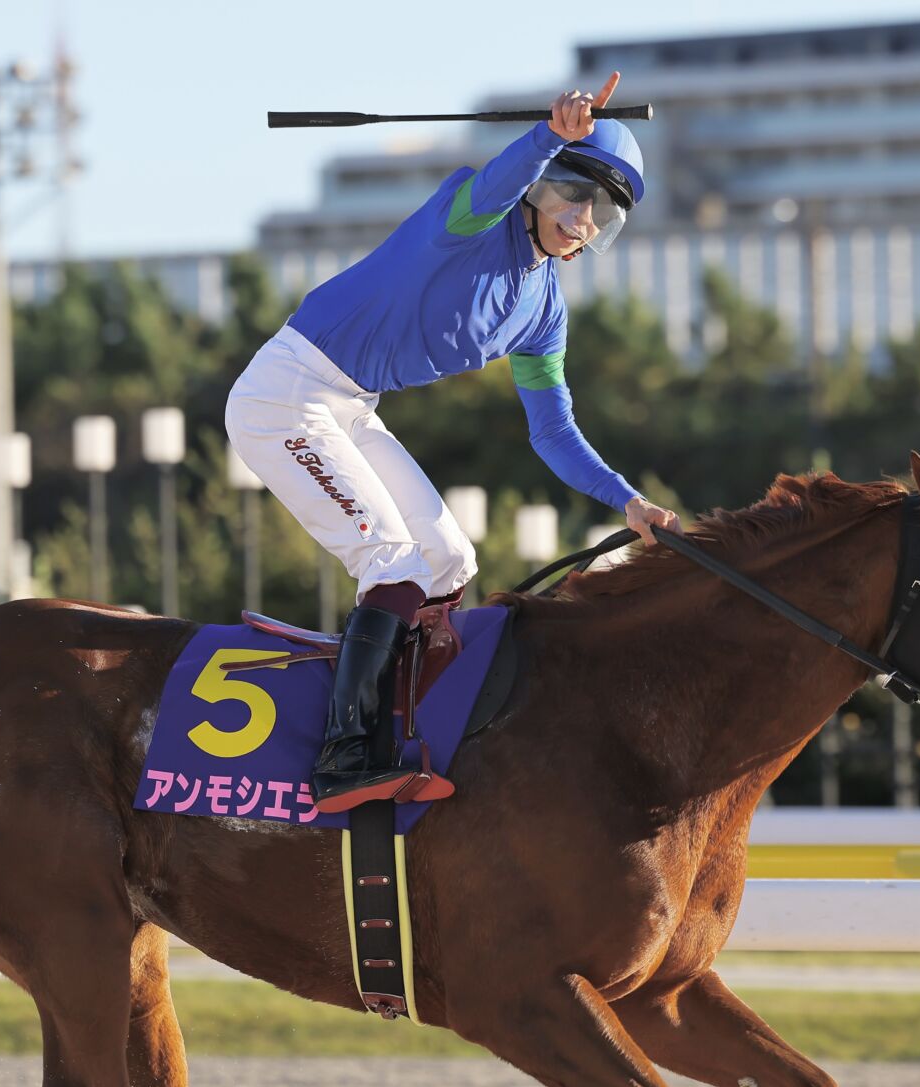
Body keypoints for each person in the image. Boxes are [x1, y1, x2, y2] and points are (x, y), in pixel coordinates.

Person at [226, 71, 681, 814]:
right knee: (393, 559)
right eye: (575, 194)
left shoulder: (544, 314)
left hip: (346, 403)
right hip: (285, 394)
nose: (585, 220)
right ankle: (344, 756)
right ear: (543, 181)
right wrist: (547, 136)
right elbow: (500, 179)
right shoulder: (468, 215)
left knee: (448, 559)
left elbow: (552, 430)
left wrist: (627, 500)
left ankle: (410, 726)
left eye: (603, 213)